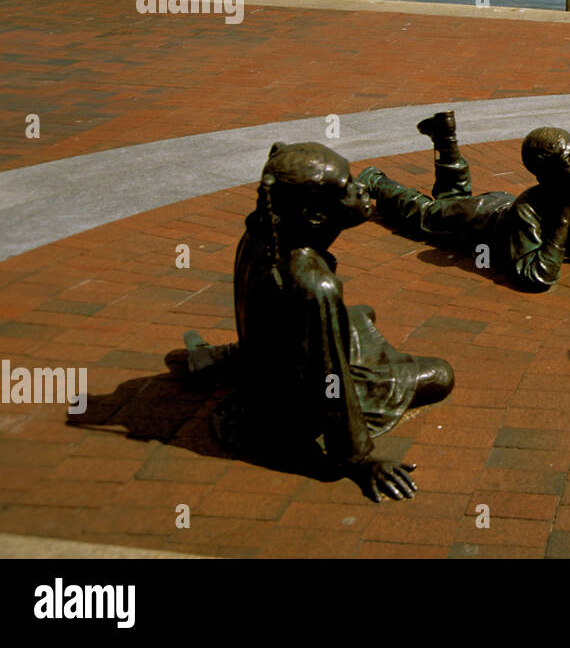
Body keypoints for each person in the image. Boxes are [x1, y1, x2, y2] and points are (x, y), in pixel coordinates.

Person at [191, 142, 456, 503]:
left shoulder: (261, 233)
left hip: (270, 369)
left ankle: (227, 357)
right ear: (314, 214)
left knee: (360, 315)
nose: (360, 189)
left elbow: (270, 324)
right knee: (440, 375)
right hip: (293, 409)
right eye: (347, 188)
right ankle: (235, 362)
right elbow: (330, 379)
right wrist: (359, 459)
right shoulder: (314, 285)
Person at [358, 113, 570, 291]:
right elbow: (534, 276)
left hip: (500, 204)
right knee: (427, 214)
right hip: (481, 218)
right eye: (569, 160)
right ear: (546, 174)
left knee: (452, 199)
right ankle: (375, 181)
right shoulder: (530, 210)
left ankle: (446, 138)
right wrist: (564, 220)